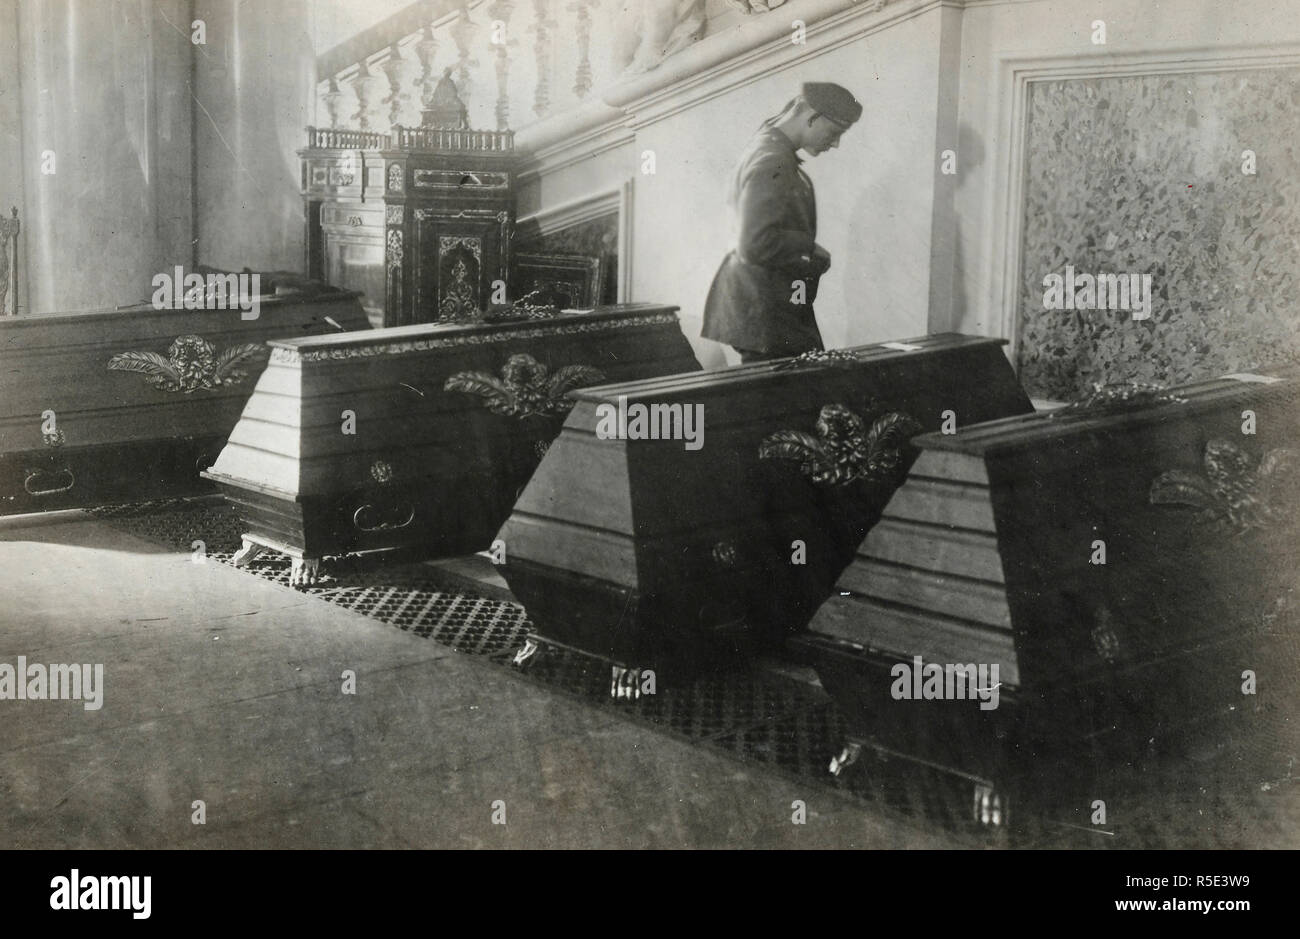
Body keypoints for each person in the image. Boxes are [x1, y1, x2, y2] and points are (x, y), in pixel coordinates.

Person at [702, 82, 862, 363]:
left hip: (766, 313)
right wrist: (810, 249)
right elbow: (754, 243)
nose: (835, 143)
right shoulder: (773, 159)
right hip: (767, 314)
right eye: (835, 132)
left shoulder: (767, 148)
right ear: (811, 116)